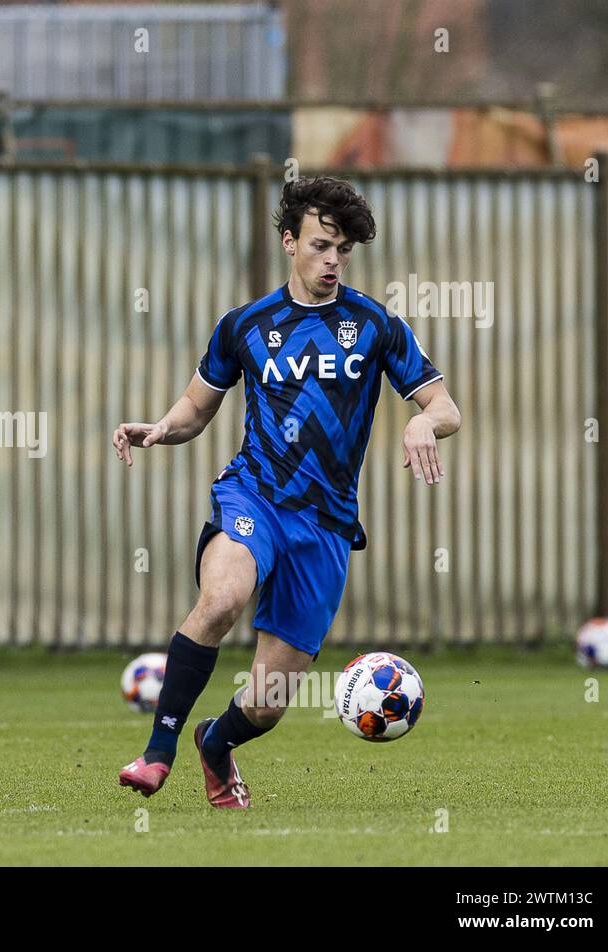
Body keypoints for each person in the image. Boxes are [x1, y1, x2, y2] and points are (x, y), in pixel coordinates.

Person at [113, 178, 461, 808]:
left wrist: (420, 420)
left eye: (345, 250)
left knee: (268, 704)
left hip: (325, 525)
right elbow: (197, 409)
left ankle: (215, 743)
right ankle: (157, 753)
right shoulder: (245, 325)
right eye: (322, 245)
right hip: (254, 496)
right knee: (223, 598)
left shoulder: (375, 326)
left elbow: (446, 406)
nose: (334, 260)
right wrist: (161, 429)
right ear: (289, 242)